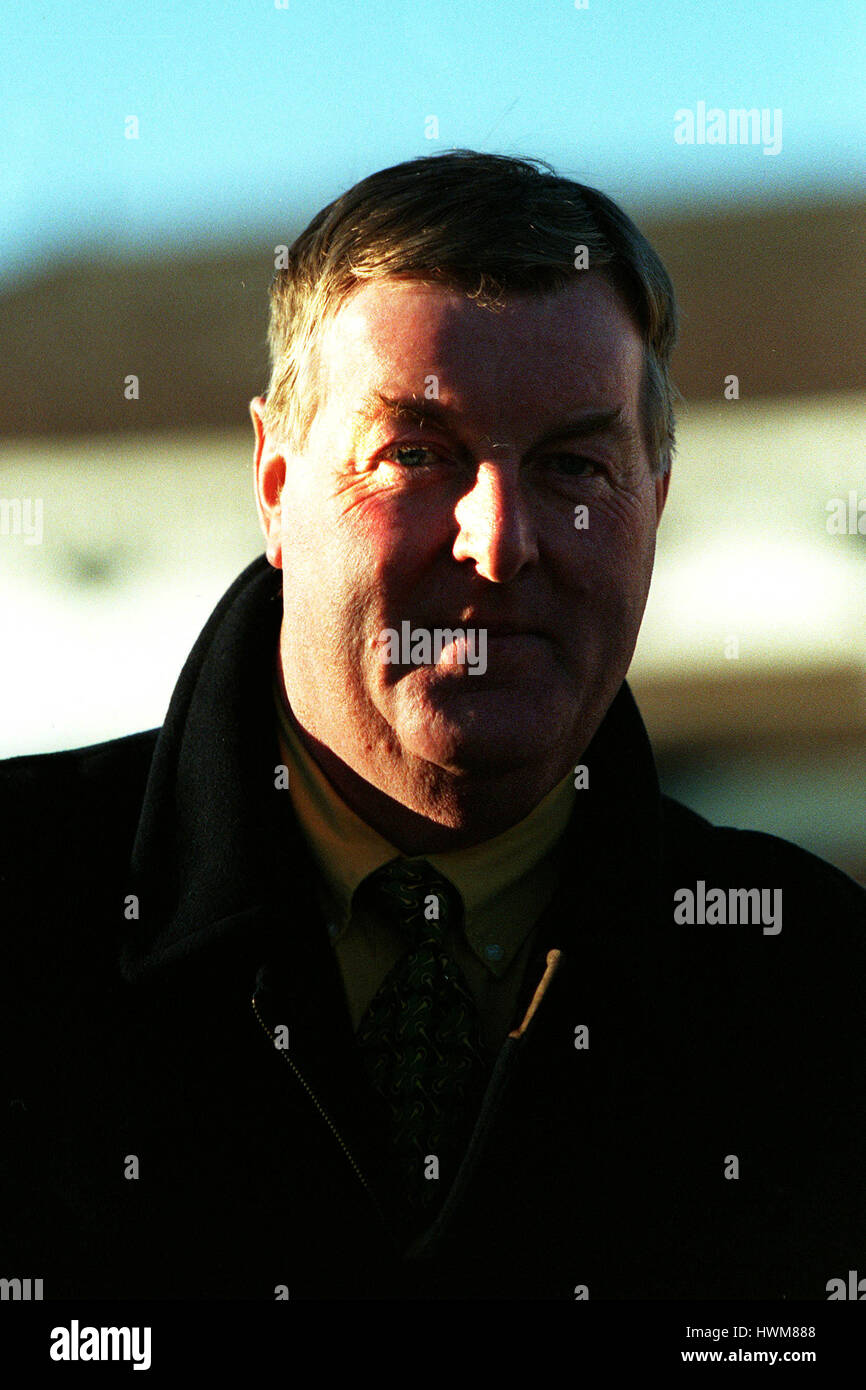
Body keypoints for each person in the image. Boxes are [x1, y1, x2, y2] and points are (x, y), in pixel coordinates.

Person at [1, 151, 863, 1302]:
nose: (498, 542)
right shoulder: (17, 905)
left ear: (653, 498)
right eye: (414, 454)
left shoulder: (815, 991)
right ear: (272, 478)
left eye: (571, 464)